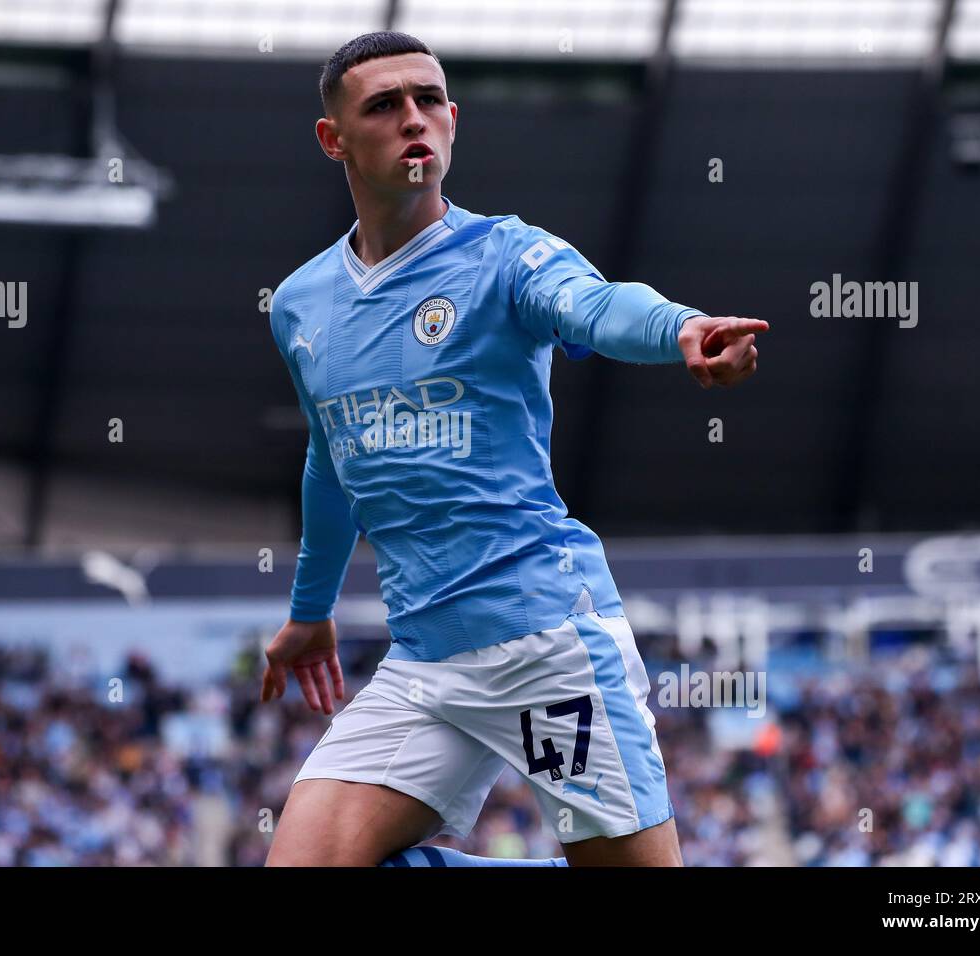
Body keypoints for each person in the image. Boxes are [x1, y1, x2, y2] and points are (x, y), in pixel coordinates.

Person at [261, 31, 767, 867]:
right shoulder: (301, 305)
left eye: (429, 100)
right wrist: (311, 610)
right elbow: (330, 459)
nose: (413, 119)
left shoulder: (506, 256)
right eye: (384, 106)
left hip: (546, 646)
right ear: (334, 139)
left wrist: (683, 327)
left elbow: (597, 307)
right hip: (424, 662)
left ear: (453, 120)